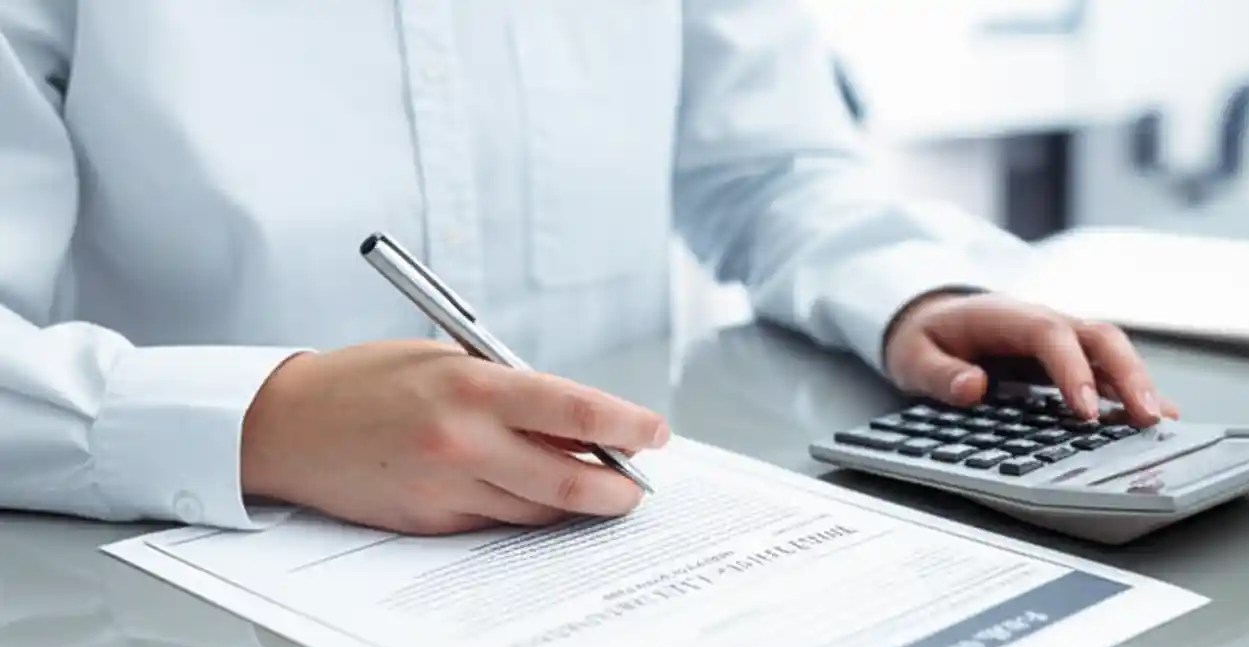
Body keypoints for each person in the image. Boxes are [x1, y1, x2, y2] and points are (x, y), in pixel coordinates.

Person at [0, 2, 1176, 536]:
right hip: (185, 600)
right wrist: (264, 422)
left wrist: (917, 289)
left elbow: (764, 164)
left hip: (612, 564)